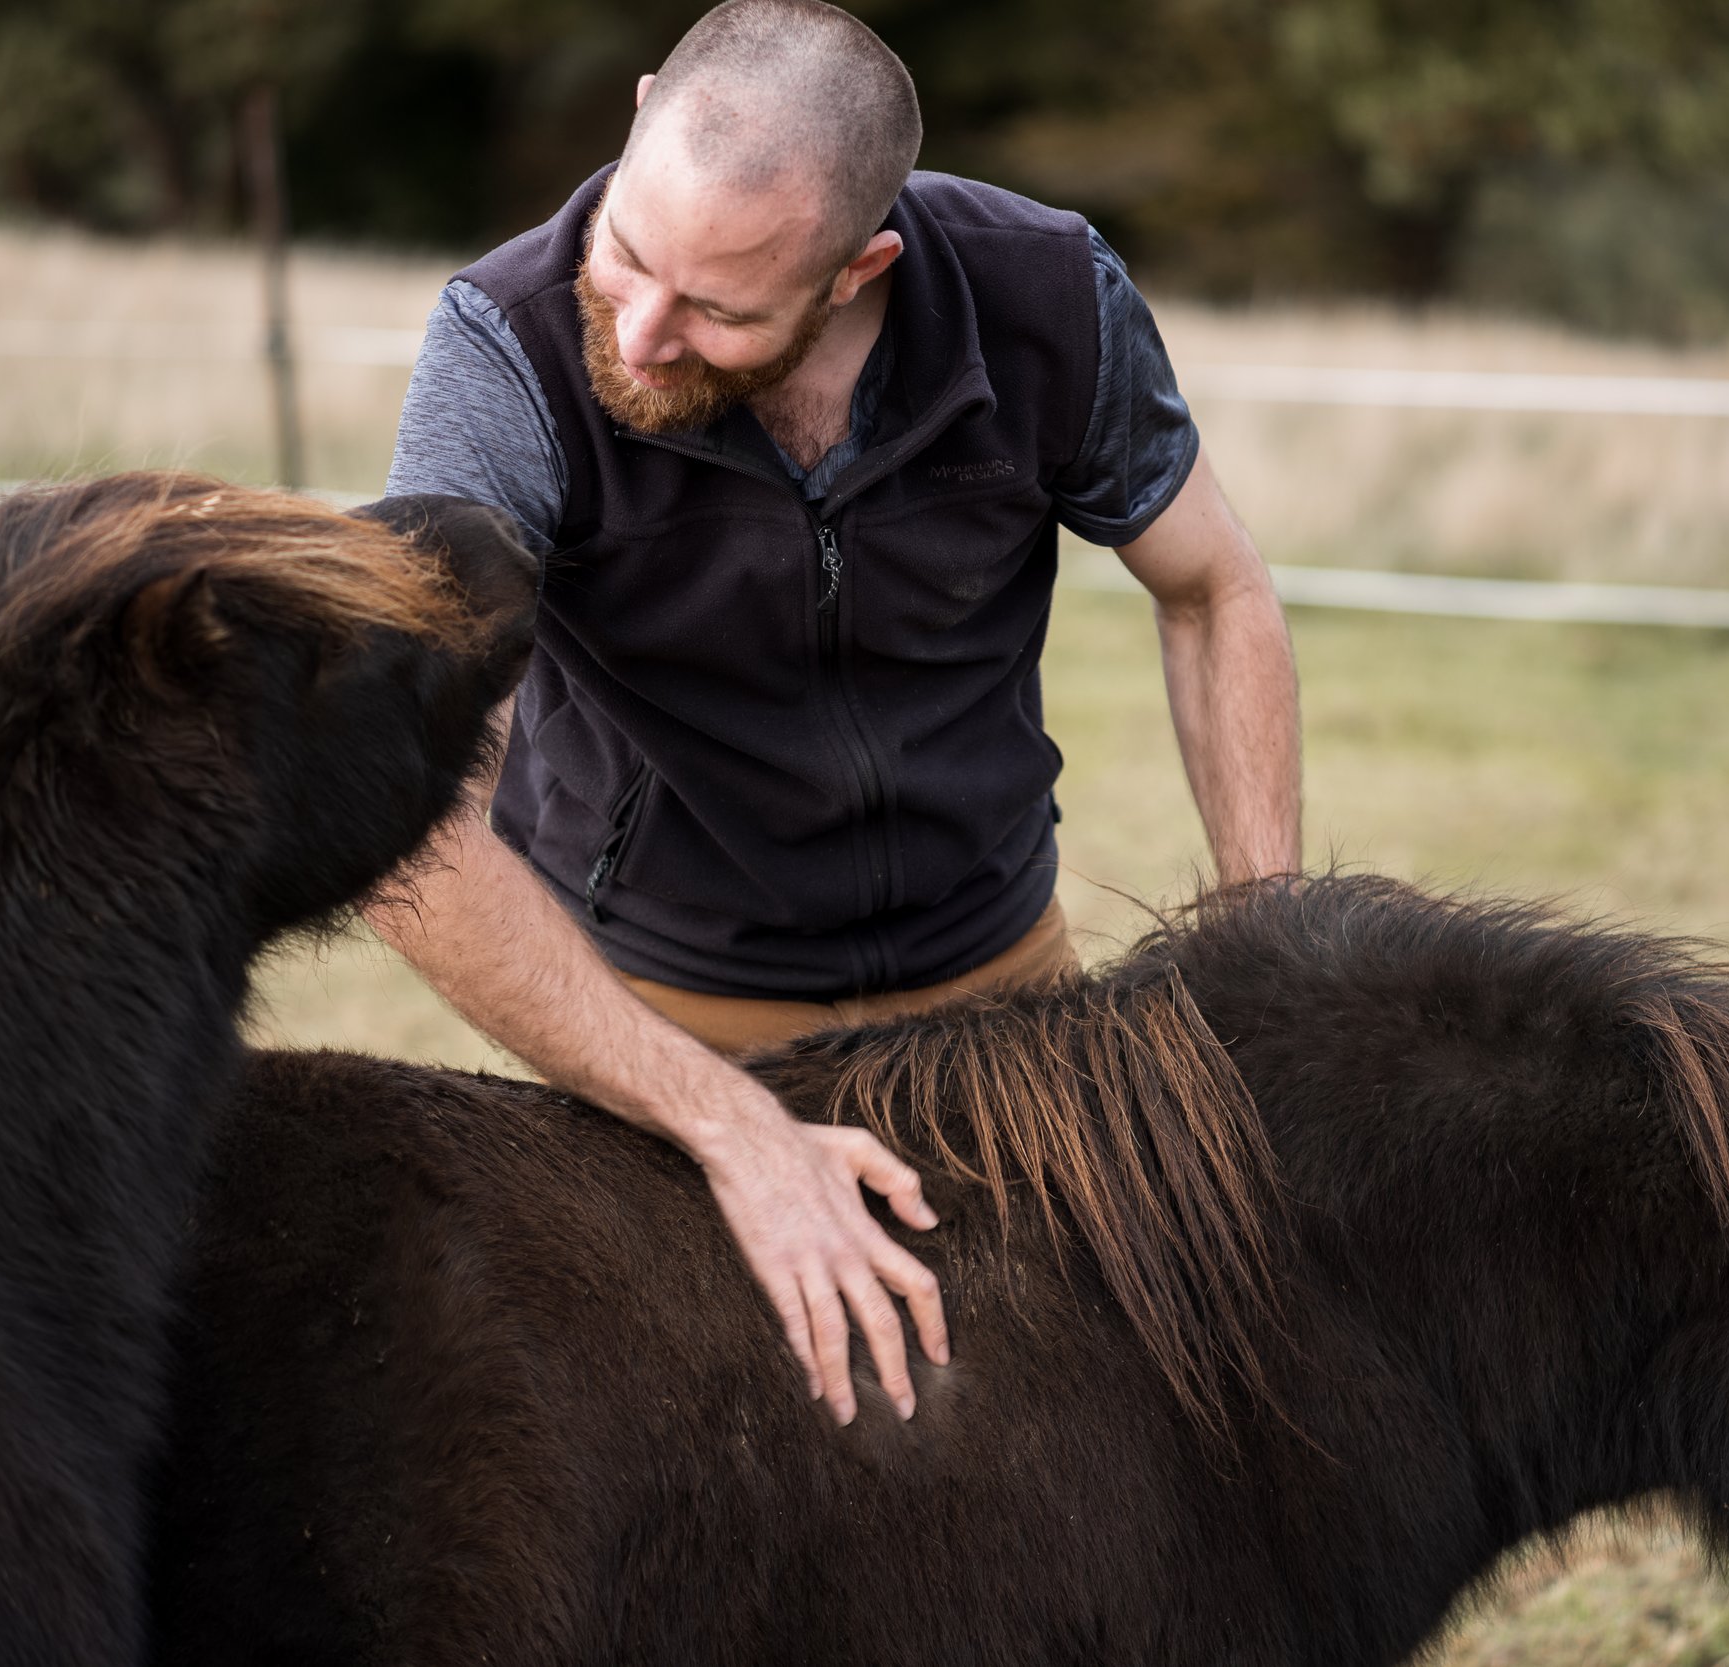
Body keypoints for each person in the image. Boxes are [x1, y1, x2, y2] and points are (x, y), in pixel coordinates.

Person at [374, 0, 1300, 1433]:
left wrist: (1267, 952)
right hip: (664, 1008)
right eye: (629, 251)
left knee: (1064, 1438)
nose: (642, 330)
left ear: (861, 266)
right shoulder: (506, 351)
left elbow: (1213, 592)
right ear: (640, 114)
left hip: (1003, 982)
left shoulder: (1047, 297)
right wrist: (729, 1125)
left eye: (724, 311)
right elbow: (406, 815)